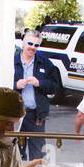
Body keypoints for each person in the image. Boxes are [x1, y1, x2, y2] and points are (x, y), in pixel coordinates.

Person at [13, 30, 60, 159]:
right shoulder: (11, 61)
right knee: (15, 152)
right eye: (30, 43)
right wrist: (16, 85)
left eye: (36, 45)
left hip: (36, 116)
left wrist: (40, 83)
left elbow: (55, 86)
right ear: (23, 43)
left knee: (37, 154)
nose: (32, 47)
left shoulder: (45, 63)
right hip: (14, 115)